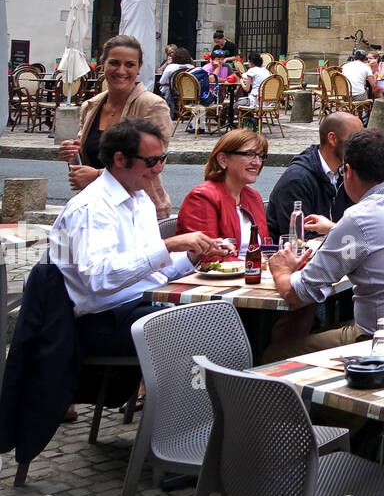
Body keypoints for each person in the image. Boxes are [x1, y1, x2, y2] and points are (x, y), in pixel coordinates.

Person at [263, 128, 384, 357]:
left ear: (349, 172)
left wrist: (281, 270)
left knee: (275, 353)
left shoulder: (359, 219)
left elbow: (301, 291)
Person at [49, 117, 228, 356]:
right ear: (120, 159)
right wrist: (168, 246)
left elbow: (155, 271)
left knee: (227, 313)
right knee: (213, 328)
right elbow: (99, 280)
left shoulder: (140, 198)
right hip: (103, 318)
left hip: (141, 304)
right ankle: (176, 393)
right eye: (151, 161)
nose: (158, 168)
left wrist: (193, 254)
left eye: (162, 159)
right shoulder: (91, 207)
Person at [58, 35, 174, 219]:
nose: (121, 70)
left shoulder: (152, 105)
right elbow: (86, 155)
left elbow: (154, 164)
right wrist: (72, 154)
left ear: (139, 68)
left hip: (139, 211)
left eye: (129, 64)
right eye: (114, 63)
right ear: (102, 64)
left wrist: (96, 175)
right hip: (96, 209)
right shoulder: (90, 106)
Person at [265, 112, 363, 238]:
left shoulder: (346, 172)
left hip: (339, 253)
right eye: (355, 140)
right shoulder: (297, 180)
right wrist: (338, 232)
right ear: (332, 139)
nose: (361, 147)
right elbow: (298, 240)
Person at [176, 129, 271, 255]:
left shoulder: (253, 197)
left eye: (261, 156)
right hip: (223, 273)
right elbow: (207, 257)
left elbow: (266, 249)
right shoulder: (203, 197)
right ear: (223, 160)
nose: (257, 162)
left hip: (255, 271)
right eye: (249, 154)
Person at [158, 47, 193, 117]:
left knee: (166, 88)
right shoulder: (191, 67)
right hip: (188, 92)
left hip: (173, 91)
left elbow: (162, 81)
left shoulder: (170, 67)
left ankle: (169, 113)